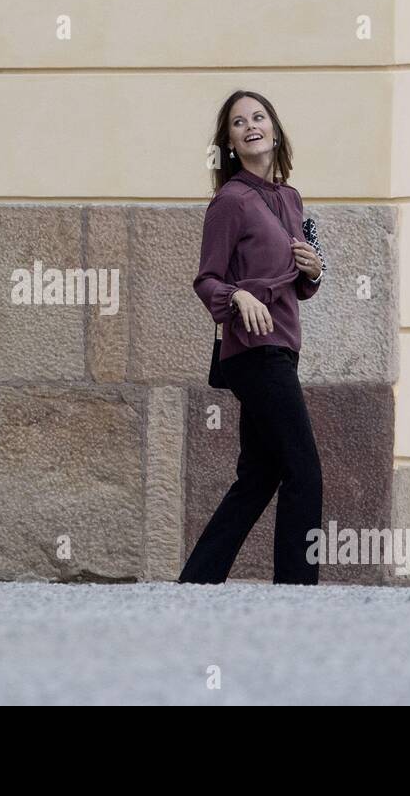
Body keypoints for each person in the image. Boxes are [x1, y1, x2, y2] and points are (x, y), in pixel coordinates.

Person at [180, 90, 326, 585]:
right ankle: (297, 591)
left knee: (259, 476)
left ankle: (197, 581)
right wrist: (237, 297)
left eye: (259, 117)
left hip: (284, 343)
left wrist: (314, 270)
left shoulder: (291, 198)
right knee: (304, 470)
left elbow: (302, 284)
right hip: (252, 350)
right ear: (229, 143)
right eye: (239, 123)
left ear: (275, 130)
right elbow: (207, 279)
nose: (250, 126)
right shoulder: (230, 201)